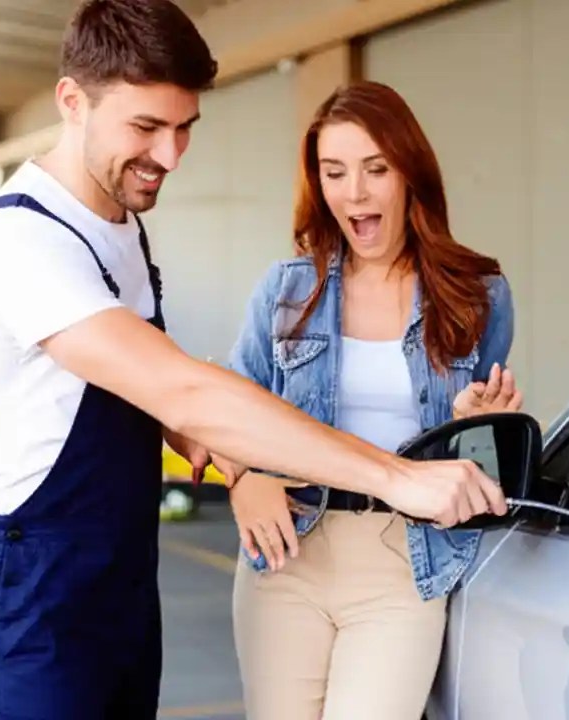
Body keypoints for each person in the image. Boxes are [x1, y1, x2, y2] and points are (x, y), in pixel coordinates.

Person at [0, 4, 505, 719]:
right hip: (30, 590)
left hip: (117, 578)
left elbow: (152, 405)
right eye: (146, 127)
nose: (171, 156)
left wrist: (239, 466)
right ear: (72, 103)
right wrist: (396, 477)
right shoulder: (19, 243)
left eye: (184, 129)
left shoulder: (118, 228)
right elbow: (184, 393)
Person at [217, 80, 523, 720]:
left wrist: (474, 424)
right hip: (287, 551)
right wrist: (244, 479)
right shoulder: (285, 290)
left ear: (410, 172)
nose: (353, 192)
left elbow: (478, 461)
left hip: (405, 562)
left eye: (374, 169)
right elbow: (228, 412)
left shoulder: (478, 294)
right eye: (334, 172)